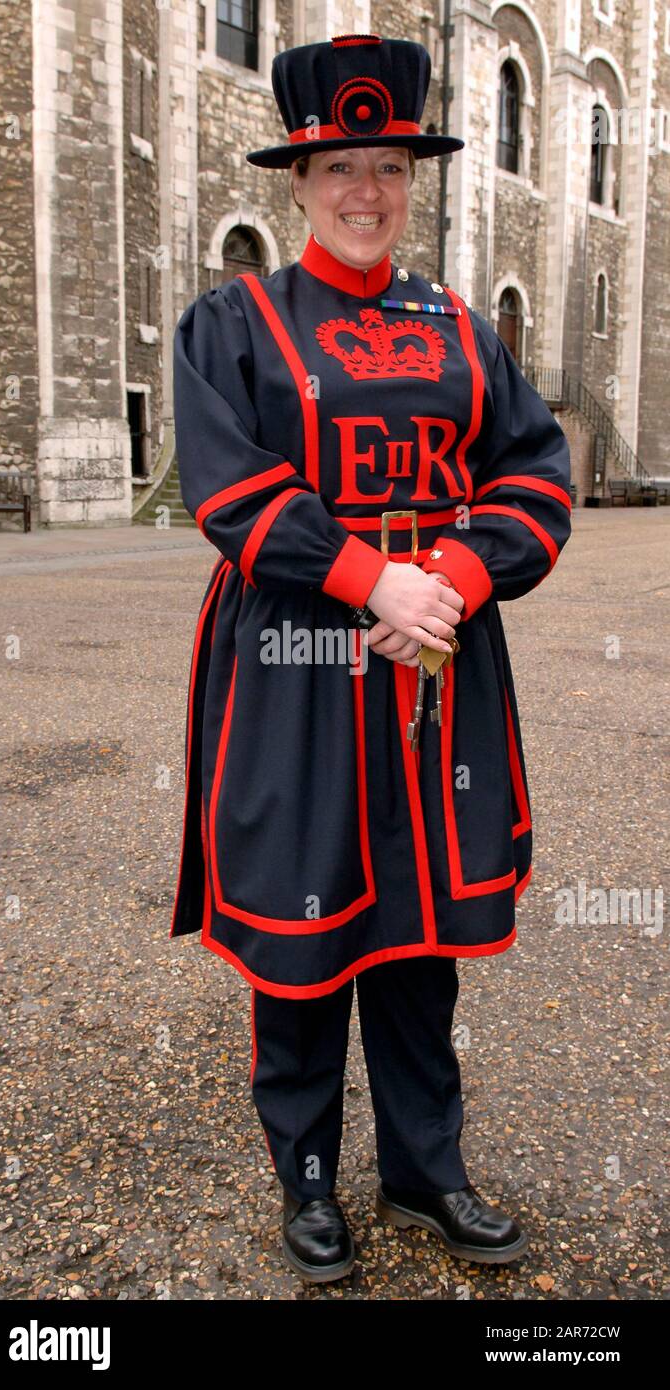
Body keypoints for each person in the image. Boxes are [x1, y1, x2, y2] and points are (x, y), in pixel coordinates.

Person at [168, 33, 572, 1284]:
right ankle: (304, 1180)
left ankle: (426, 1169)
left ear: (411, 175)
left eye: (387, 164)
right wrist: (368, 576)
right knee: (305, 929)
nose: (364, 189)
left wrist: (445, 579)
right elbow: (228, 487)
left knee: (414, 934)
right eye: (340, 165)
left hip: (439, 662)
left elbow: (536, 475)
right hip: (296, 665)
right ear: (299, 181)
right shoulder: (232, 321)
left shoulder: (457, 323)